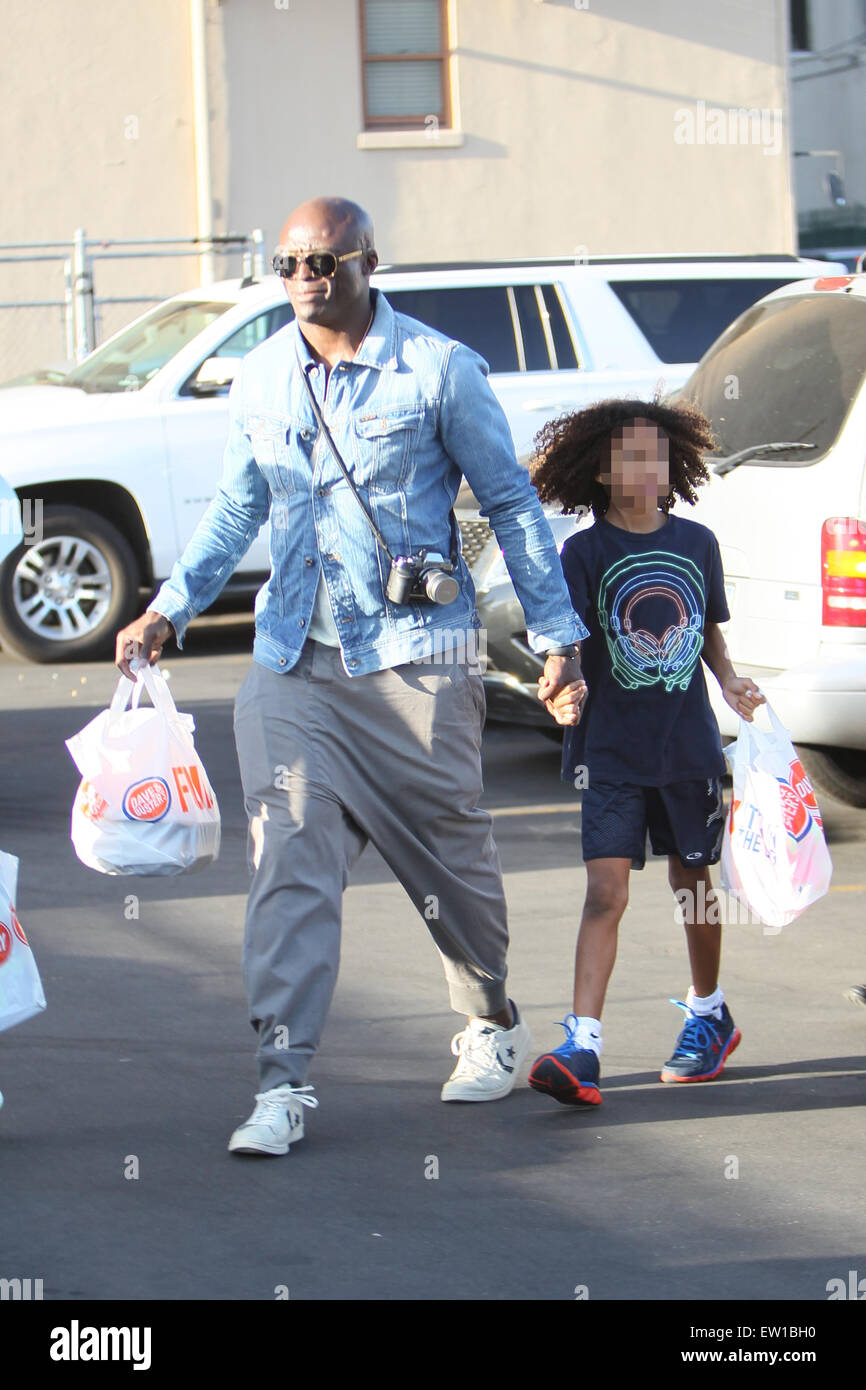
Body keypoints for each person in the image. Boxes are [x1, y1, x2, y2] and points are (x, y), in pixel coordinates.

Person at [115, 196, 588, 1156]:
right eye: (289, 265)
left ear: (369, 264)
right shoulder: (259, 377)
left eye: (323, 263)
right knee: (288, 862)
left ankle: (492, 1021)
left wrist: (555, 635)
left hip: (421, 659)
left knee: (448, 859)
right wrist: (171, 607)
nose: (304, 280)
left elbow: (510, 505)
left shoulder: (441, 371)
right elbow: (234, 511)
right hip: (292, 662)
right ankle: (282, 1083)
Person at [526, 399, 765, 1108]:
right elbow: (564, 642)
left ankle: (708, 1011)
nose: (644, 468)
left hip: (687, 745)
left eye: (656, 455)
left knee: (693, 883)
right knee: (606, 891)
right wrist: (559, 686)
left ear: (675, 467)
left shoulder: (698, 542)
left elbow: (707, 627)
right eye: (628, 456)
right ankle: (583, 1045)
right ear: (601, 470)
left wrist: (729, 681)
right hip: (609, 750)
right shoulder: (585, 552)